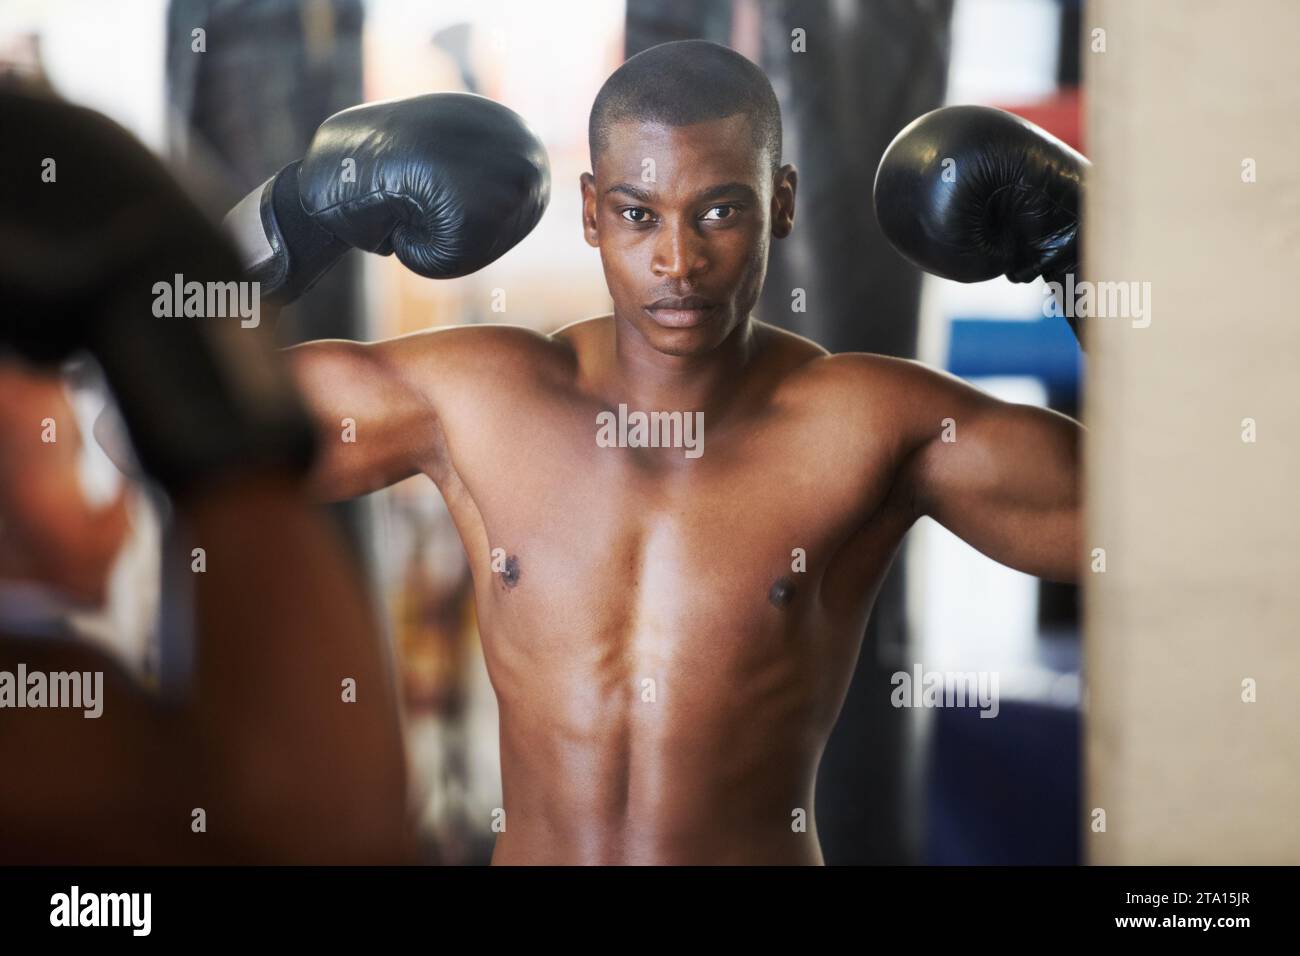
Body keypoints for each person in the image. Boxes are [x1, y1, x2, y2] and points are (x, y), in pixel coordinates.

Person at [166, 39, 1083, 864]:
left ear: (783, 205)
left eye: (720, 213)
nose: (678, 261)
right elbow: (146, 427)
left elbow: (1151, 524)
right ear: (592, 213)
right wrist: (297, 215)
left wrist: (1084, 244)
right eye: (640, 214)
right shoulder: (479, 401)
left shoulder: (869, 425)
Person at [0, 85, 422, 863]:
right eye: (49, 450)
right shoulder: (54, 735)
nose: (119, 517)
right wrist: (233, 451)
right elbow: (327, 837)